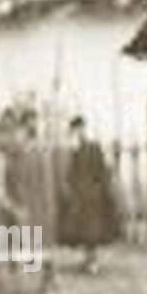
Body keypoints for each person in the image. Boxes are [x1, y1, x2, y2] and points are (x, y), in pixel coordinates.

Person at [61, 116, 117, 272]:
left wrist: (100, 189)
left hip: (92, 195)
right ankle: (88, 259)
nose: (76, 133)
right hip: (80, 195)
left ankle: (93, 261)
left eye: (79, 129)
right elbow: (71, 173)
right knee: (83, 230)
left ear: (83, 129)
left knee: (92, 230)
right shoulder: (74, 150)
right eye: (74, 130)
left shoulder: (93, 147)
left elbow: (101, 170)